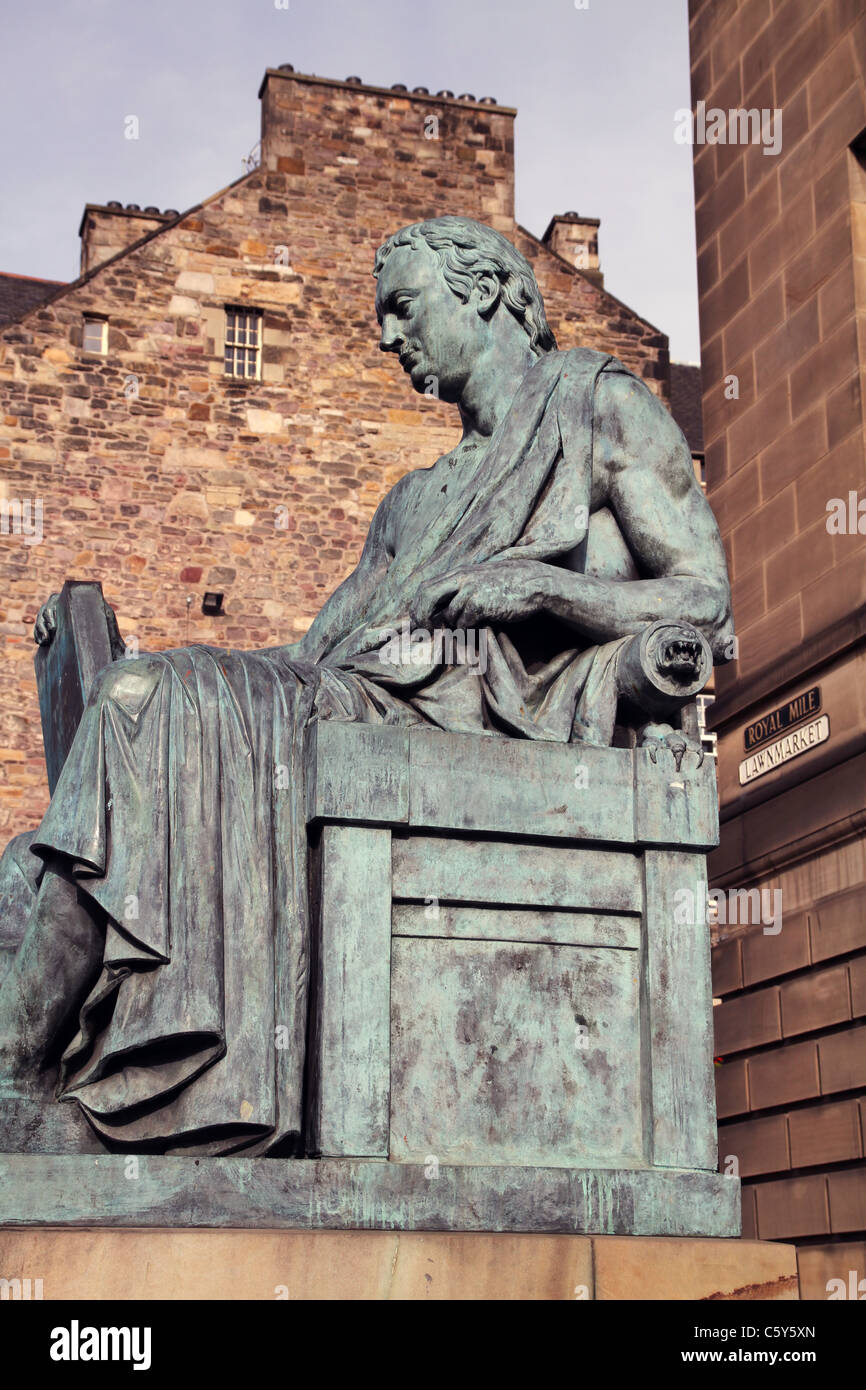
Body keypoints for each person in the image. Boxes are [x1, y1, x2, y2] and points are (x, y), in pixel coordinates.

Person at [0, 216, 732, 1153]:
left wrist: (544, 586)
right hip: (352, 700)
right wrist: (152, 669)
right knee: (39, 845)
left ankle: (38, 1071)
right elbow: (309, 657)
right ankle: (56, 1087)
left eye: (403, 306)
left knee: (144, 704)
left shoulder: (596, 405)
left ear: (485, 290)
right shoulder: (411, 499)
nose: (388, 336)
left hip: (454, 713)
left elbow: (703, 599)